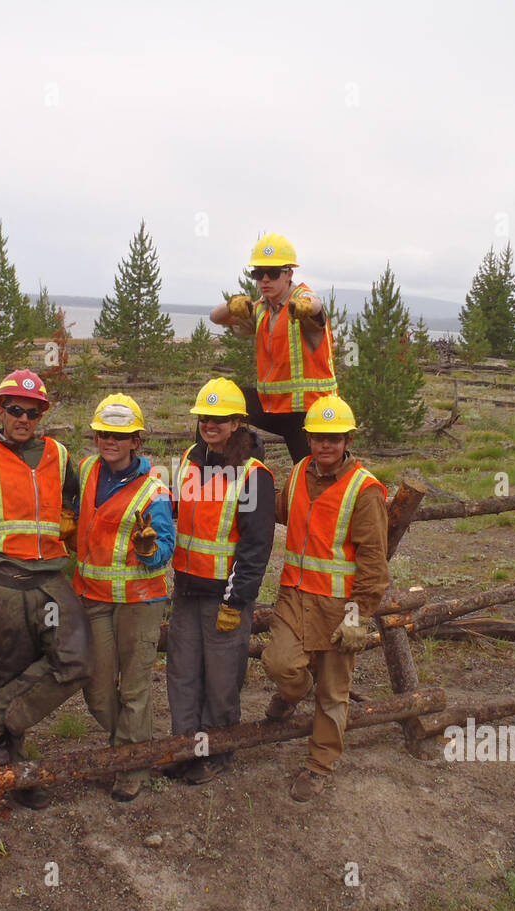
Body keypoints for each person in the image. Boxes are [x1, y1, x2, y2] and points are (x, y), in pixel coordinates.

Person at [0, 369, 91, 810]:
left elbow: (72, 501)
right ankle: (13, 766)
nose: (23, 418)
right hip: (3, 579)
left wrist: (68, 515)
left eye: (32, 411)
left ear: (42, 413)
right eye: (15, 409)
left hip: (49, 576)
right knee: (13, 667)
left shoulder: (60, 454)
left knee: (76, 660)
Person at [261, 396, 389, 802]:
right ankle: (293, 692)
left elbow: (373, 559)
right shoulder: (299, 471)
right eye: (318, 438)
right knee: (279, 663)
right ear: (309, 439)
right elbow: (280, 511)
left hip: (338, 607)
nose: (324, 446)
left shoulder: (364, 490)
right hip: (295, 595)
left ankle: (319, 764)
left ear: (347, 439)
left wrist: (359, 614)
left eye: (333, 439)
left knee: (334, 693)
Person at [166, 378, 275, 784]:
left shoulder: (253, 474)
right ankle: (182, 748)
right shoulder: (191, 459)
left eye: (219, 419)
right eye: (204, 417)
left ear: (237, 423)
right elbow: (176, 510)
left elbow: (256, 545)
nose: (210, 424)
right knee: (182, 673)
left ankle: (217, 752)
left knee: (223, 676)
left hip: (224, 598)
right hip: (187, 590)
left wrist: (237, 599)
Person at [73, 394, 175, 802]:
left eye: (119, 435)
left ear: (136, 440)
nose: (109, 441)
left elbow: (164, 547)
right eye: (103, 433)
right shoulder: (84, 472)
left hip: (140, 601)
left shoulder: (154, 489)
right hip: (94, 599)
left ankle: (131, 767)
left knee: (134, 688)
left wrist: (151, 551)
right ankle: (132, 748)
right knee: (97, 688)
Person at [209, 232, 335, 463]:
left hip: (306, 412)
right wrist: (231, 305)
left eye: (273, 273)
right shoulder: (261, 308)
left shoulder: (302, 301)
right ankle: (218, 476)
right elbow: (214, 317)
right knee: (216, 406)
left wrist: (308, 306)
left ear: (289, 274)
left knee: (309, 476)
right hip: (273, 406)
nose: (264, 279)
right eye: (258, 273)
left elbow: (316, 307)